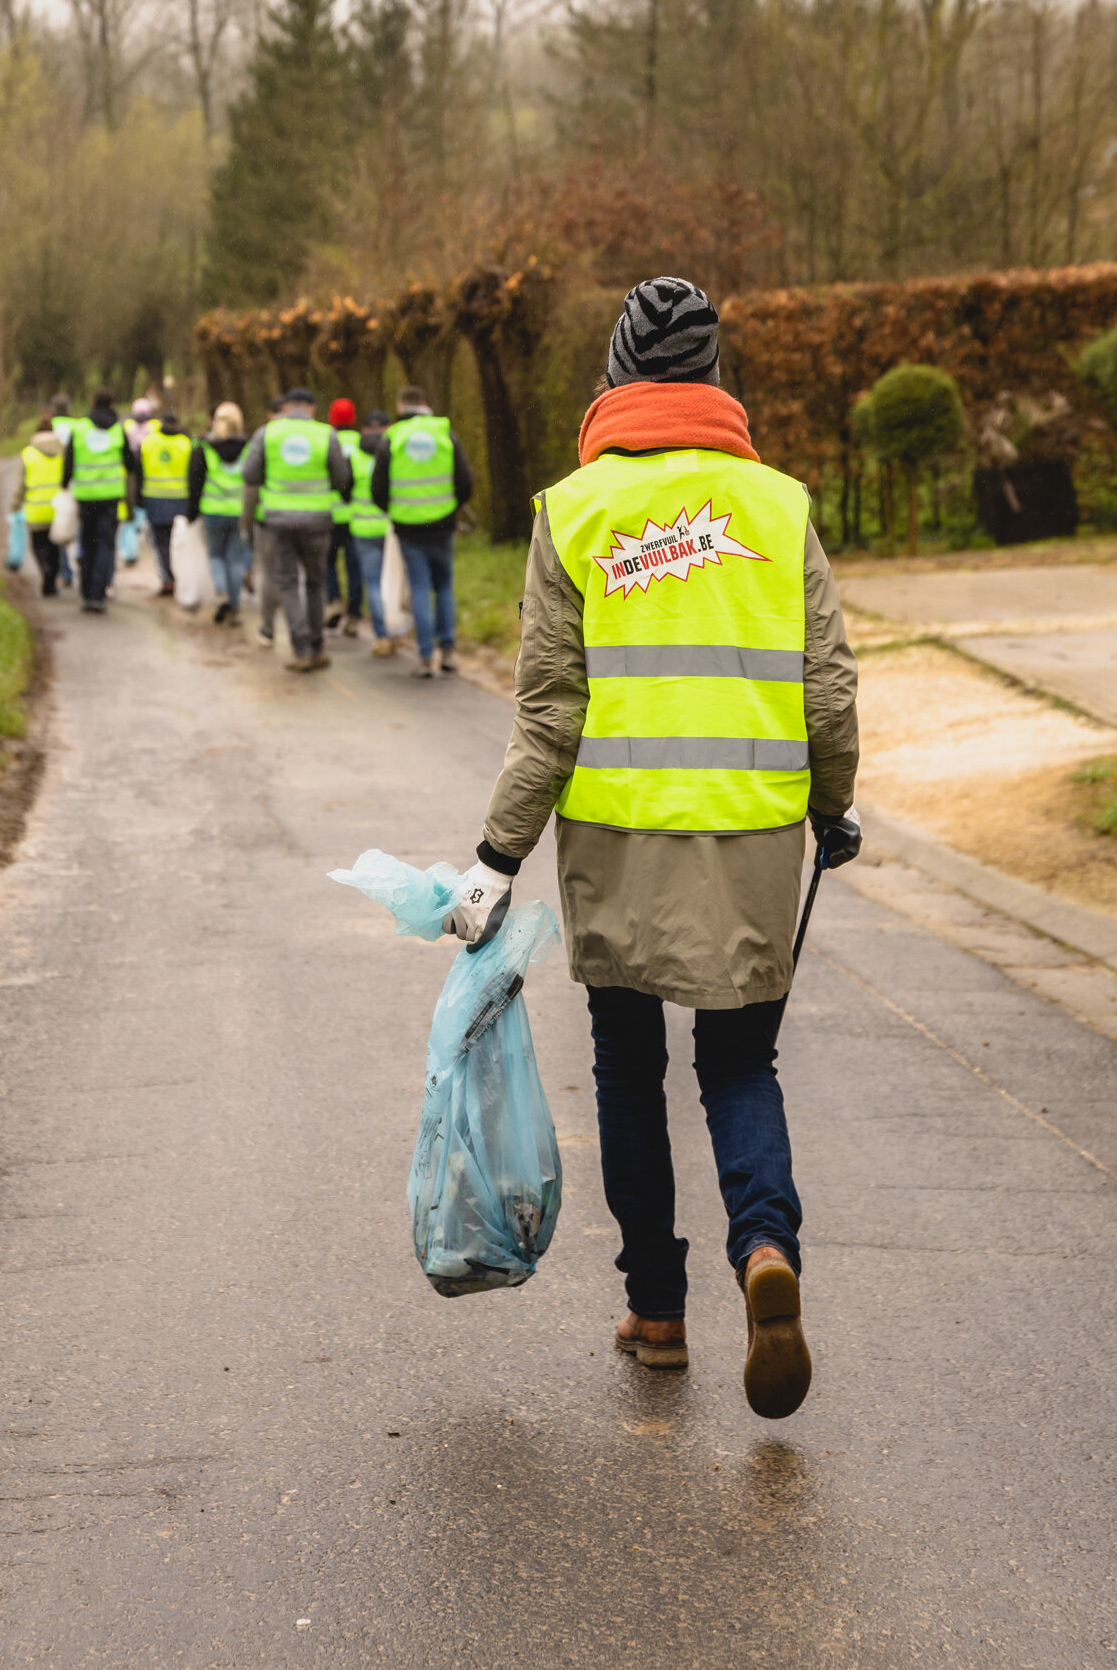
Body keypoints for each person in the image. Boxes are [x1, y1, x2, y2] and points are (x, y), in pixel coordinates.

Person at [442, 277, 860, 1421]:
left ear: (614, 377)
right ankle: (763, 1251)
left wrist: (494, 857)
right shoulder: (777, 506)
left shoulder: (573, 511)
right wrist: (832, 808)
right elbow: (826, 688)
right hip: (751, 834)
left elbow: (548, 714)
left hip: (616, 839)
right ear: (716, 377)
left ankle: (657, 1313)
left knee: (626, 1068)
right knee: (738, 1065)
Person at [240, 385, 352, 673]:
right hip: (317, 521)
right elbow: (343, 478)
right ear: (312, 409)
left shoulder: (267, 434)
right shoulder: (326, 435)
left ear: (286, 408)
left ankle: (300, 649)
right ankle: (317, 648)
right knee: (315, 583)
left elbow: (249, 474)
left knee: (288, 584)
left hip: (279, 522)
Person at [370, 384, 474, 678]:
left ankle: (426, 657)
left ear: (400, 407)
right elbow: (466, 482)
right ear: (425, 404)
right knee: (444, 587)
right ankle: (449, 652)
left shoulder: (393, 437)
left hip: (408, 528)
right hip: (442, 526)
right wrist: (449, 509)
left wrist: (396, 512)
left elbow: (377, 489)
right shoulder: (445, 433)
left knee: (419, 588)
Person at [62, 388, 138, 613]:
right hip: (110, 497)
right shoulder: (117, 429)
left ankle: (86, 593)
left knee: (87, 543)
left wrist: (63, 485)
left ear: (92, 402)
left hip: (86, 496)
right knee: (105, 545)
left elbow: (68, 462)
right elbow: (130, 463)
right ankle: (98, 594)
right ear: (112, 404)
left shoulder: (79, 429)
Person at [189, 401, 250, 625]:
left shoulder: (203, 447)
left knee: (215, 555)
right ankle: (234, 607)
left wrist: (191, 512)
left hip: (213, 511)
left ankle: (221, 591)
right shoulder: (249, 447)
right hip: (239, 512)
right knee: (235, 560)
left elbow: (195, 483)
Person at [138, 409, 199, 598]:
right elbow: (195, 473)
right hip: (180, 500)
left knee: (161, 542)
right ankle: (178, 577)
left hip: (154, 499)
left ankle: (168, 578)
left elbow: (139, 471)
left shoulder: (149, 442)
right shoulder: (186, 443)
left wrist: (139, 498)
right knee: (179, 542)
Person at [350, 410, 393, 656]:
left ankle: (382, 636)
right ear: (388, 427)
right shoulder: (394, 450)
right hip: (391, 527)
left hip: (363, 528)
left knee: (374, 583)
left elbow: (344, 487)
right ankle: (397, 631)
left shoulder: (356, 455)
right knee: (395, 582)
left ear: (364, 428)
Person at [13, 411, 67, 597]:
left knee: (38, 544)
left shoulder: (28, 454)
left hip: (35, 508)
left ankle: (44, 568)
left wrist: (15, 505)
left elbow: (21, 485)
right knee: (55, 547)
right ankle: (51, 578)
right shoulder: (63, 451)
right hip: (57, 509)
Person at [324, 398, 365, 635]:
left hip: (329, 513)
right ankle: (354, 615)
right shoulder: (361, 442)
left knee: (327, 562)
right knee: (354, 567)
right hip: (354, 515)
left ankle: (333, 600)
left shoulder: (327, 441)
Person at [49, 395, 76, 590]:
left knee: (61, 526)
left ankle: (66, 572)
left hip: (56, 482)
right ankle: (81, 557)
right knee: (78, 525)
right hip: (77, 481)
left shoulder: (50, 427)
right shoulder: (77, 426)